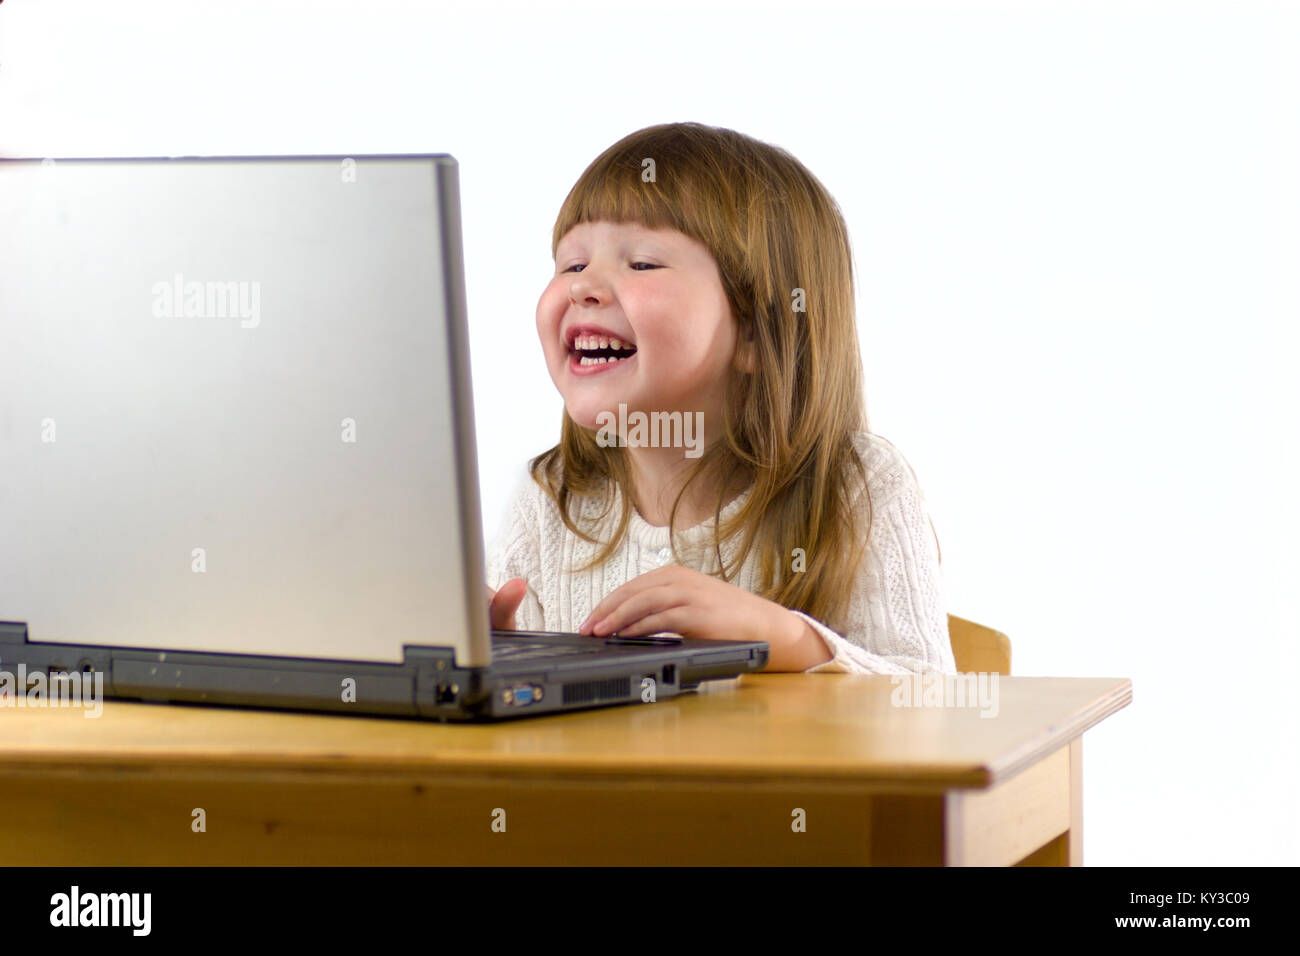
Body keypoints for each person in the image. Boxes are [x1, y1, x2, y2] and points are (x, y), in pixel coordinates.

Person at [486, 121, 956, 675]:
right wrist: (496, 658)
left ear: (757, 331)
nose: (583, 286)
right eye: (572, 263)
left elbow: (930, 708)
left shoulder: (857, 487)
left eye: (641, 263)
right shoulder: (550, 502)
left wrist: (784, 638)